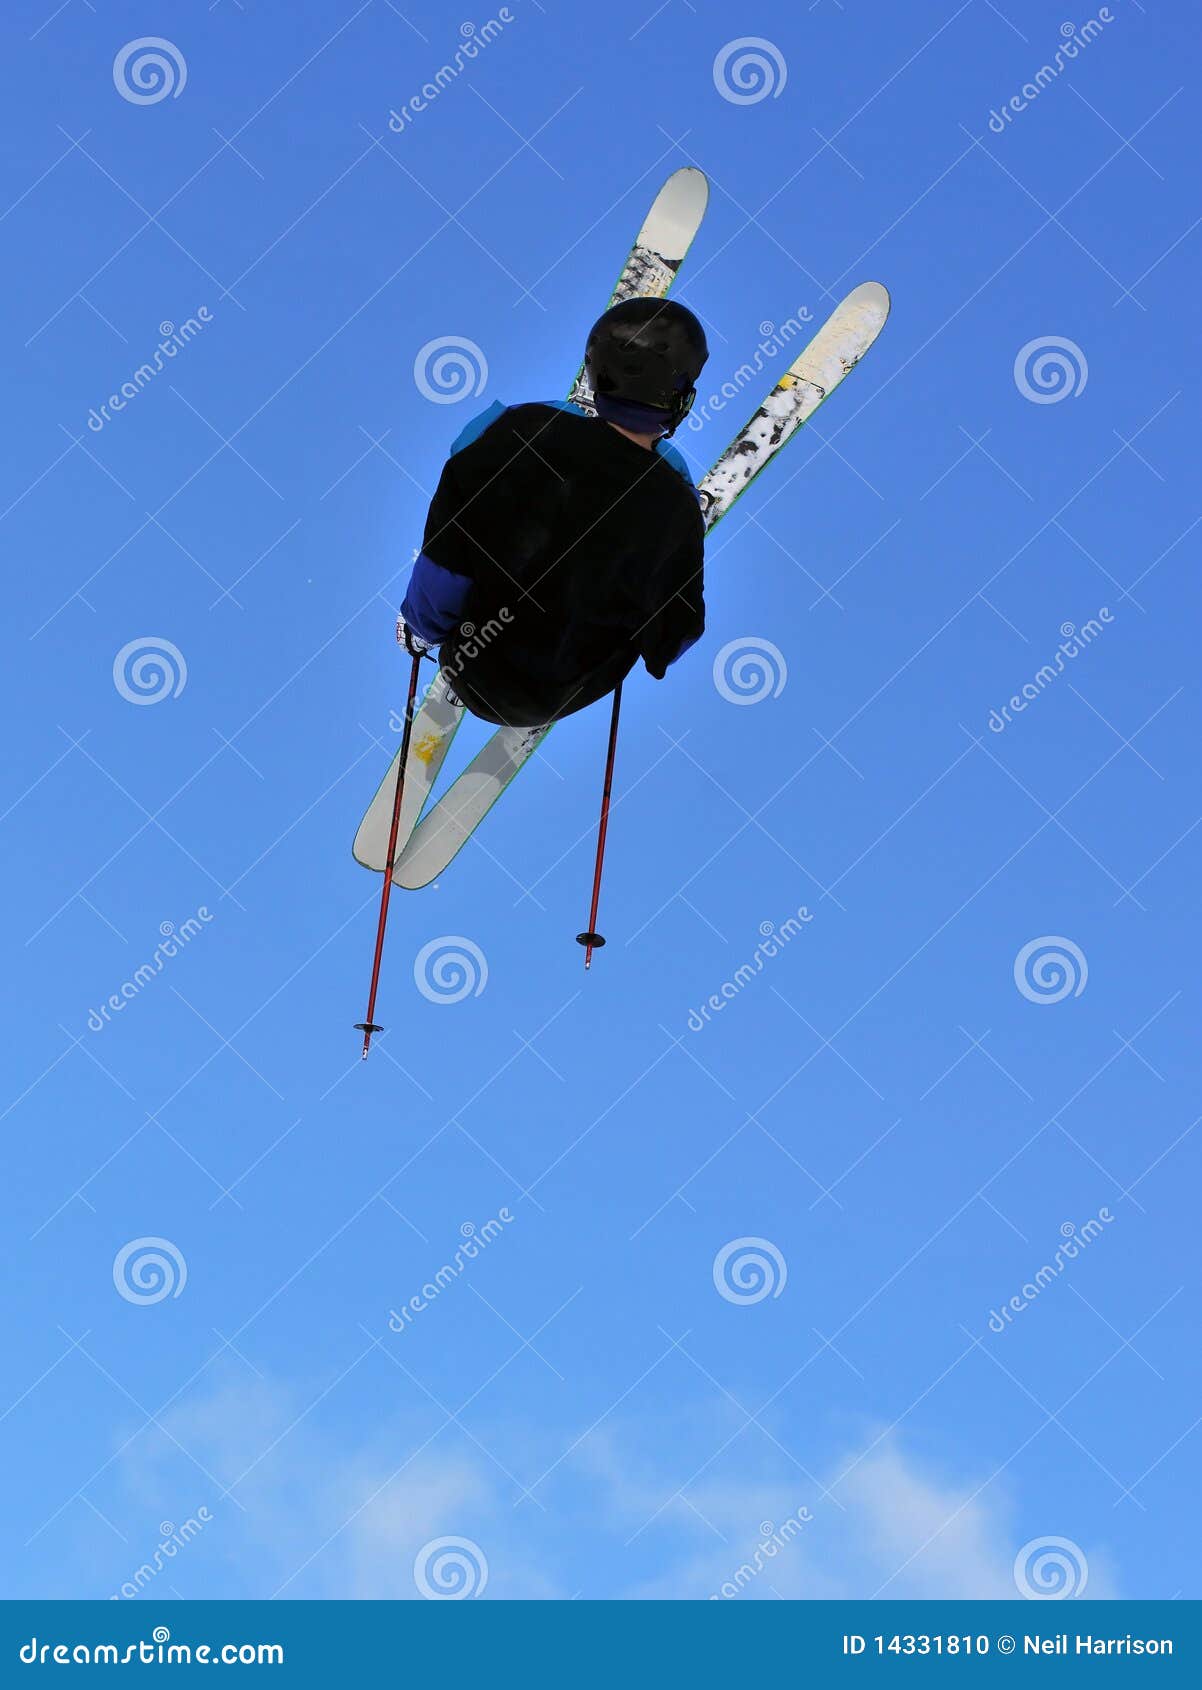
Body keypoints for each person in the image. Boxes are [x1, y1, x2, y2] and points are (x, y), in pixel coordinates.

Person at [396, 298, 710, 728]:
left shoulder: (511, 431)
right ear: (679, 398)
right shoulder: (676, 509)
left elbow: (445, 568)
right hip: (564, 693)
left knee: (475, 509)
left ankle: (432, 636)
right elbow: (670, 642)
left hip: (470, 663)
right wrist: (675, 540)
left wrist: (422, 628)